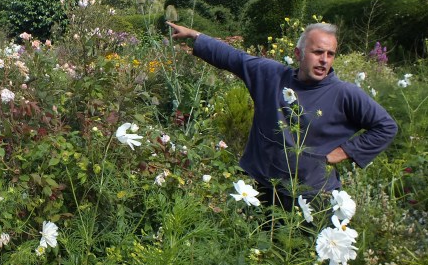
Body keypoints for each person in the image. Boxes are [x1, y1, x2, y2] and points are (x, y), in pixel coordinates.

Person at [168, 21, 398, 208]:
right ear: (299, 53)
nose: (324, 60)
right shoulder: (272, 76)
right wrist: (196, 36)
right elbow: (235, 59)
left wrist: (344, 151)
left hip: (309, 196)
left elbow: (386, 126)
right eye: (318, 52)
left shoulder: (344, 93)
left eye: (330, 53)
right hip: (258, 185)